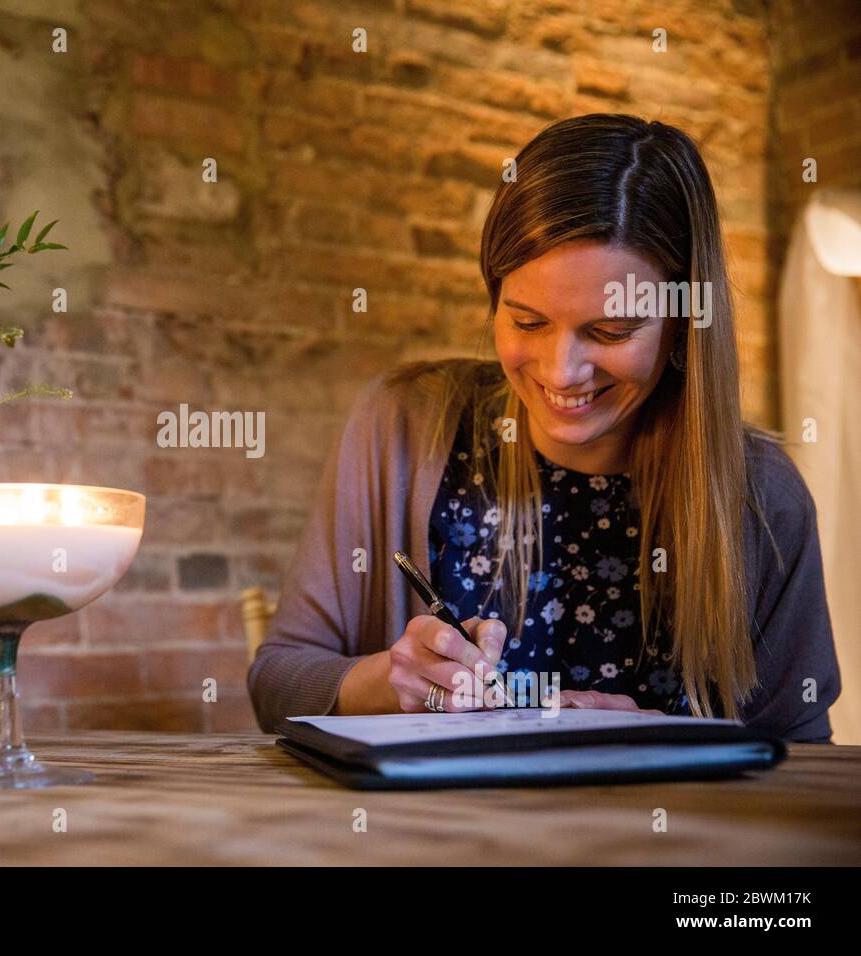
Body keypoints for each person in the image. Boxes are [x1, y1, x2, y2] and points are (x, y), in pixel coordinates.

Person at [248, 114, 841, 743]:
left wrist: (670, 737)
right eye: (527, 322)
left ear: (682, 329)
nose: (562, 372)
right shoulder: (402, 424)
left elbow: (801, 763)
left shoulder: (762, 497)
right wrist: (388, 683)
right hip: (430, 840)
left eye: (611, 332)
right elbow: (276, 684)